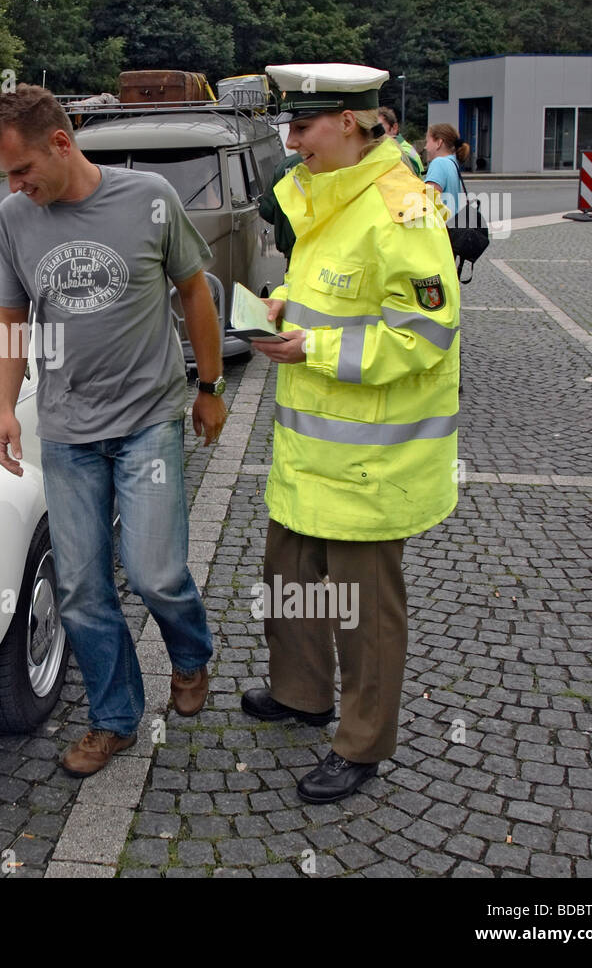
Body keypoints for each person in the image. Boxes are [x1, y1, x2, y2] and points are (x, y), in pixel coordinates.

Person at [0, 84, 225, 777]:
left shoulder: (148, 198)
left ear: (61, 143)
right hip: (66, 431)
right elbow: (9, 321)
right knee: (84, 592)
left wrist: (210, 388)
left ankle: (191, 653)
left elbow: (194, 291)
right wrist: (5, 407)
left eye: (23, 169)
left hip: (149, 418)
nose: (17, 186)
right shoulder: (12, 219)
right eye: (7, 175)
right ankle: (114, 717)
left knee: (155, 574)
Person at [245, 63, 460, 804]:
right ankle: (302, 693)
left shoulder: (403, 207)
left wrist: (315, 349)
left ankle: (363, 743)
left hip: (372, 461)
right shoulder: (324, 196)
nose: (292, 141)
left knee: (363, 613)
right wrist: (278, 308)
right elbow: (329, 295)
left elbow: (426, 332)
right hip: (311, 453)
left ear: (349, 122)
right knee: (289, 583)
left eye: (302, 126)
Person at [423, 123, 471, 218]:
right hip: (451, 225)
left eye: (427, 142)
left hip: (440, 227)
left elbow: (428, 200)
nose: (425, 147)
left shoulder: (439, 163)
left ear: (439, 143)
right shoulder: (452, 163)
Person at [377, 105, 424, 177]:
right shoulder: (407, 148)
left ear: (394, 128)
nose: (376, 133)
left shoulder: (402, 154)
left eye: (380, 127)